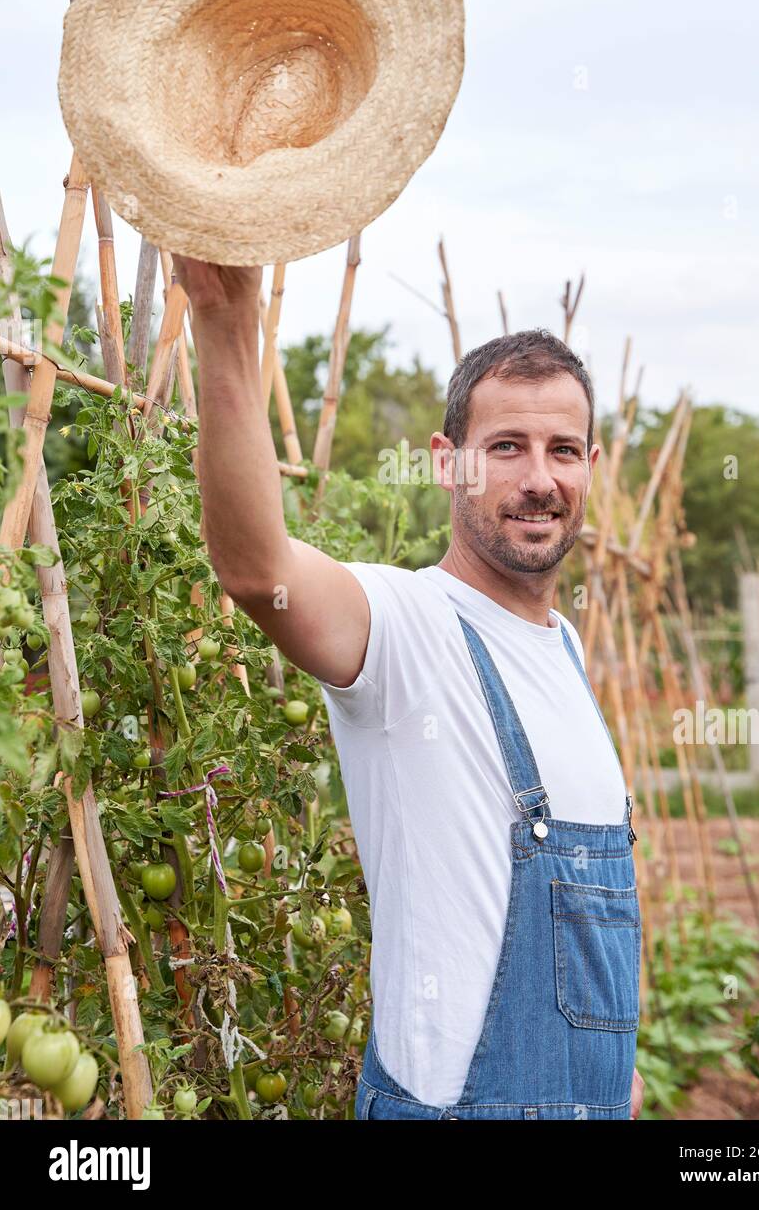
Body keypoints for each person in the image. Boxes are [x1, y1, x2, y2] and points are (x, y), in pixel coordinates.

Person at [173, 255, 644, 1122]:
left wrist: (620, 1076)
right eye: (506, 447)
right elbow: (255, 570)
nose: (540, 478)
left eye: (563, 450)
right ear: (445, 463)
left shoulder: (566, 649)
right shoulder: (406, 626)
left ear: (590, 467)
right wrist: (225, 322)